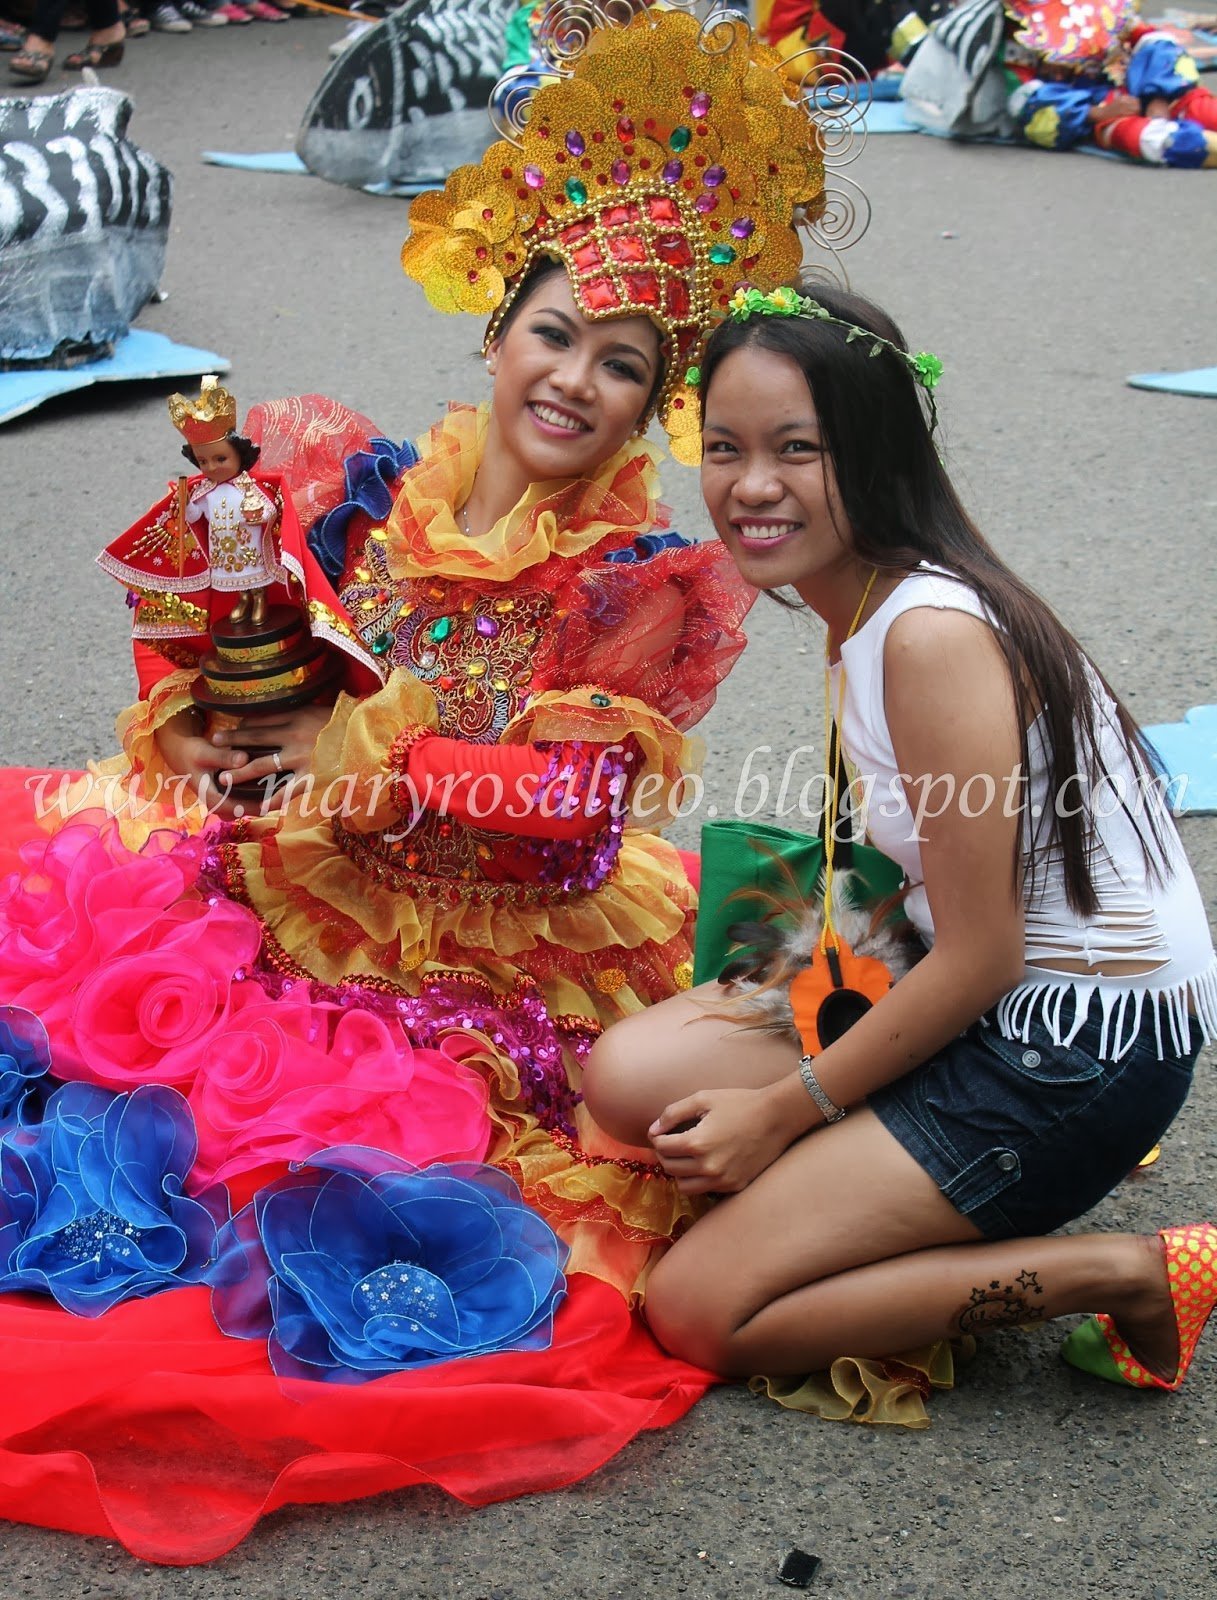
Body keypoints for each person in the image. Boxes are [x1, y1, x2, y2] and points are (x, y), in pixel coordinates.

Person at [0, 5, 841, 1563]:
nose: (574, 379)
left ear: (655, 398)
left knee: (306, 1203)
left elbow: (574, 819)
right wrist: (203, 734)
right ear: (496, 328)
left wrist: (365, 763)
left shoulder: (639, 581)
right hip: (283, 880)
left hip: (492, 953)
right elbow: (236, 655)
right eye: (554, 331)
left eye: (623, 362)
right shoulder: (366, 487)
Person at [583, 282, 1216, 1402]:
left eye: (797, 448)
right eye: (723, 446)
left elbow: (987, 956)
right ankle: (859, 1164)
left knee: (699, 1309)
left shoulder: (925, 636)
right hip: (967, 978)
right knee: (629, 1077)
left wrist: (781, 1114)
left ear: (874, 449)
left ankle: (1126, 1272)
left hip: (1070, 1051)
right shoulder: (869, 600)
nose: (749, 486)